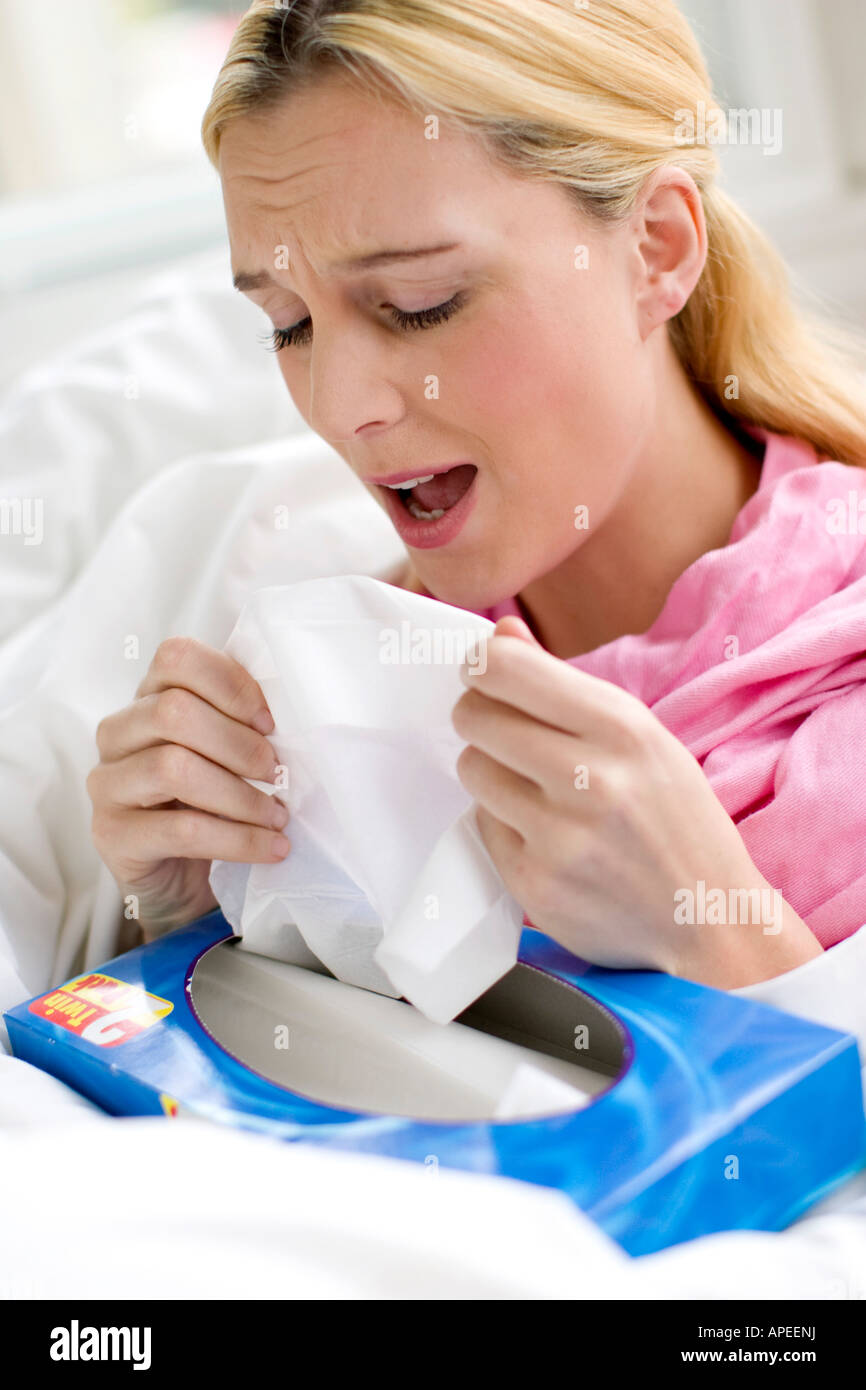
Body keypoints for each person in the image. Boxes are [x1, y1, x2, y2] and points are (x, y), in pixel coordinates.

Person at [87, 0, 866, 989]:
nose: (339, 407)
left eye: (420, 304)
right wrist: (185, 919)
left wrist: (719, 934)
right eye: (289, 325)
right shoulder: (332, 704)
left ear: (656, 248)